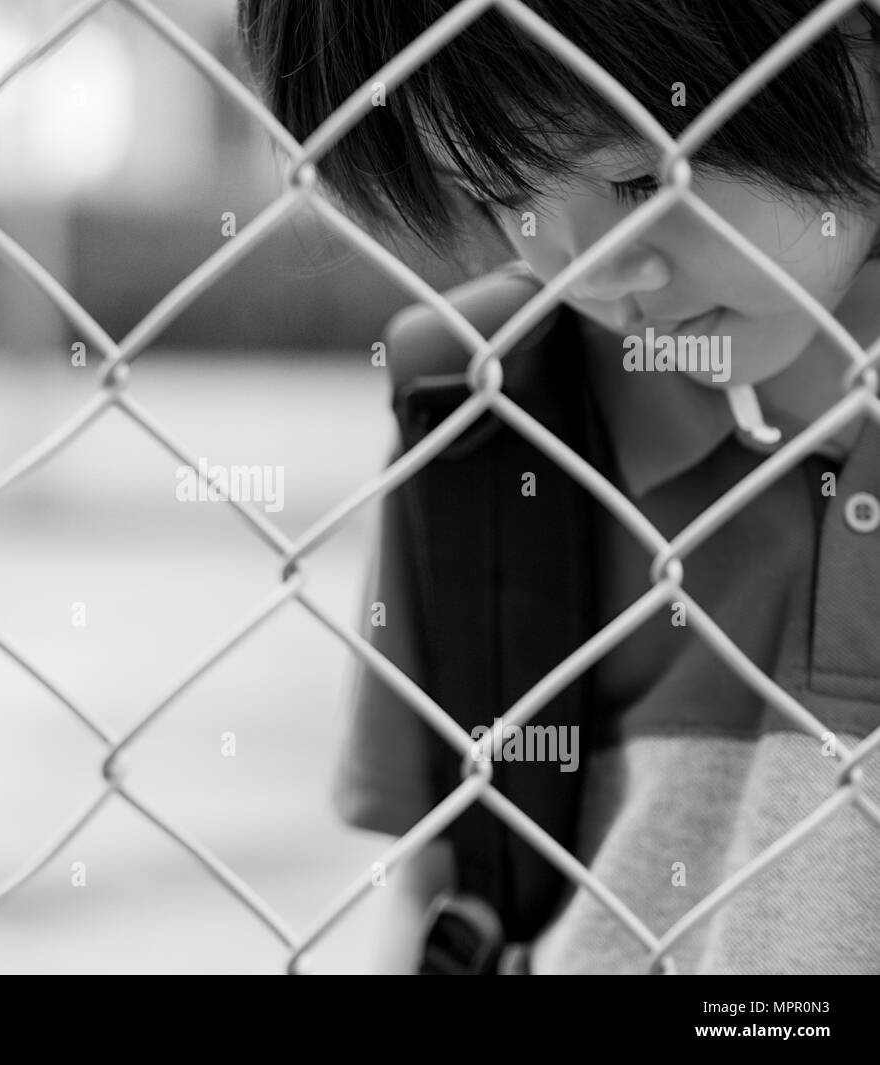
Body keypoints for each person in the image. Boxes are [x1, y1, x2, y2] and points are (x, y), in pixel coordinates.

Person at [238, 0, 880, 973]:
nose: (598, 271)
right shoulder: (488, 420)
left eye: (639, 176)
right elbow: (441, 884)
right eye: (502, 194)